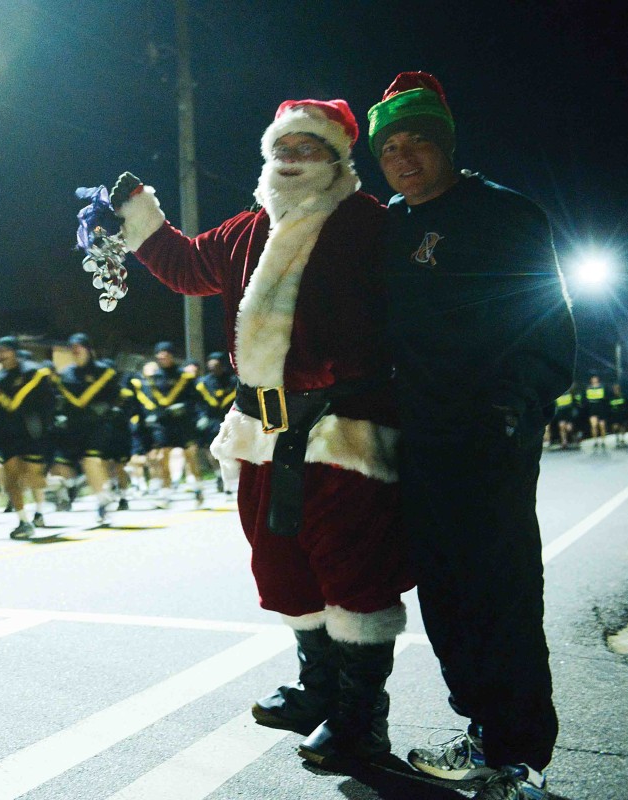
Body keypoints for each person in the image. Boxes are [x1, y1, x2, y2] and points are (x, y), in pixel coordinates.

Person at [113, 98, 412, 767]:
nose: (294, 157)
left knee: (352, 575)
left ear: (337, 158)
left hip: (345, 432)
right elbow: (187, 266)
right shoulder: (246, 230)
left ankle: (362, 721)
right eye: (285, 146)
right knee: (282, 567)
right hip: (260, 432)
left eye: (310, 147)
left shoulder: (369, 223)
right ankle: (318, 691)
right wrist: (138, 213)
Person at [370, 71, 577, 799]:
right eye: (389, 145)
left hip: (487, 439)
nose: (402, 156)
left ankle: (520, 759)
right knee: (446, 598)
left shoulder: (502, 213)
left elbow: (545, 320)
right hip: (415, 443)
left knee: (502, 595)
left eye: (417, 141)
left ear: (446, 144)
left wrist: (515, 410)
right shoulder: (385, 224)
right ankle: (483, 734)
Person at [0, 336, 55, 539]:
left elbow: (22, 403)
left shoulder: (32, 372)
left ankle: (50, 497)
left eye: (5, 350)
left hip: (31, 431)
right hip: (7, 434)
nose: (1, 355)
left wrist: (47, 425)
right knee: (11, 477)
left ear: (14, 351)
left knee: (33, 477)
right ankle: (23, 521)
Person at [52, 333, 125, 525]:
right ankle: (76, 485)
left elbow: (118, 395)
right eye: (72, 348)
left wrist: (110, 408)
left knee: (91, 460)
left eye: (79, 347)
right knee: (61, 466)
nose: (75, 351)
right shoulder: (66, 374)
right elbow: (59, 399)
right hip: (73, 427)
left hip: (97, 425)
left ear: (88, 350)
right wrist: (58, 414)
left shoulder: (104, 371)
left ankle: (102, 501)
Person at [131, 342, 201, 508]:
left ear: (172, 355)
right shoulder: (154, 378)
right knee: (163, 456)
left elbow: (195, 398)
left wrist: (185, 407)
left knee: (190, 456)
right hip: (164, 422)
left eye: (166, 354)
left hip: (183, 422)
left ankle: (197, 487)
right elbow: (151, 398)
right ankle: (166, 492)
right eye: (159, 354)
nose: (162, 357)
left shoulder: (184, 376)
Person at [194, 352, 237, 493]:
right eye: (211, 366)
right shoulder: (203, 383)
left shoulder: (233, 381)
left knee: (229, 450)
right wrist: (201, 416)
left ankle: (230, 480)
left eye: (216, 366)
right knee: (211, 450)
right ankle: (219, 475)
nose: (213, 369)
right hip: (211, 421)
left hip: (229, 420)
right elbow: (198, 403)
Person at [583, 374, 608, 449]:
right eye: (593, 378)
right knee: (593, 426)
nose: (594, 380)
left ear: (597, 379)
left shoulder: (602, 387)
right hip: (592, 409)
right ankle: (595, 441)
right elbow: (586, 399)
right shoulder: (588, 388)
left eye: (595, 378)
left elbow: (606, 398)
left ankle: (603, 441)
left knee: (602, 426)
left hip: (601, 409)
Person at [609, 383, 627, 448]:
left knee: (622, 426)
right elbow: (609, 406)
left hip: (622, 414)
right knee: (615, 427)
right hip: (614, 414)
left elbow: (626, 404)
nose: (616, 389)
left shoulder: (623, 396)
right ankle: (617, 438)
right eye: (614, 388)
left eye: (617, 388)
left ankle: (622, 439)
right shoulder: (611, 397)